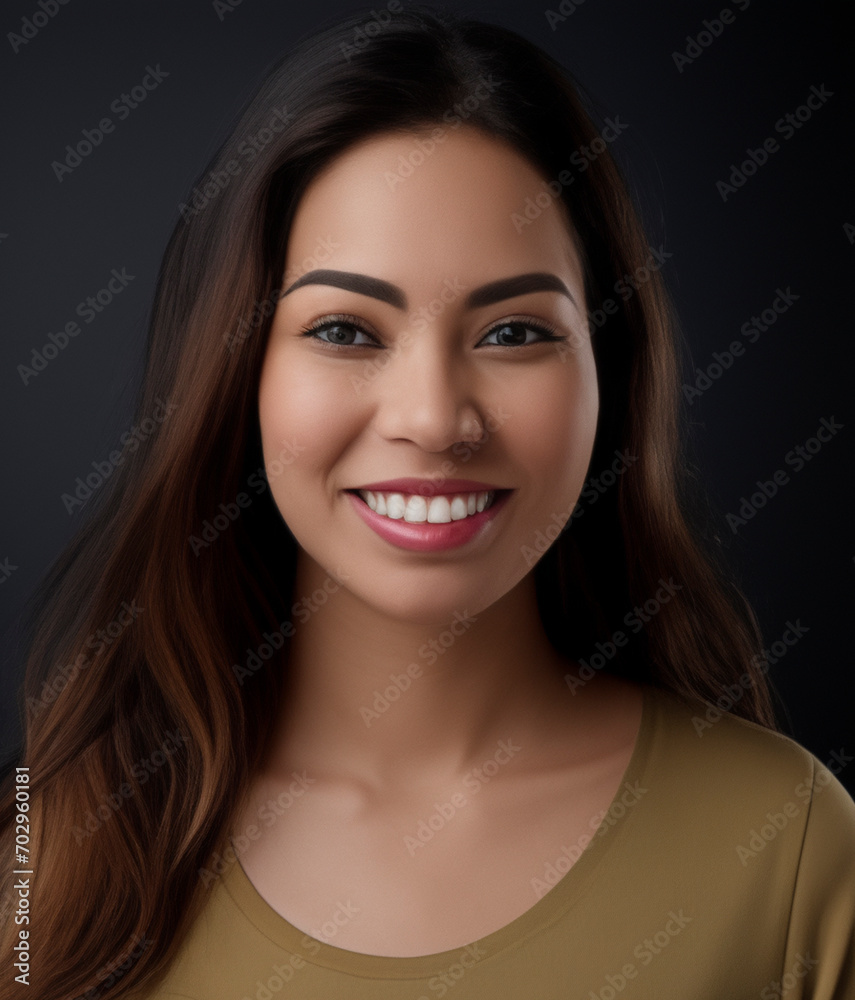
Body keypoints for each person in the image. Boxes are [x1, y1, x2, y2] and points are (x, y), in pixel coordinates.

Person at [1, 4, 853, 999]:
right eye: (347, 331)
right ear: (237, 374)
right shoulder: (50, 859)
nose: (434, 417)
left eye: (513, 334)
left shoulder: (791, 849)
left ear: (607, 374)